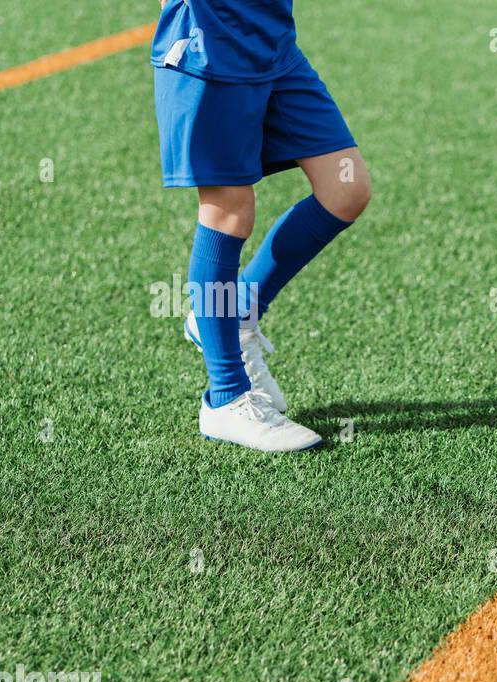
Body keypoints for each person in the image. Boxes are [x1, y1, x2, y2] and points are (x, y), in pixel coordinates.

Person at [152, 0, 371, 450]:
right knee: (230, 210)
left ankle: (238, 310)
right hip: (209, 49)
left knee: (346, 188)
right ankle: (226, 398)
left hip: (273, 45)